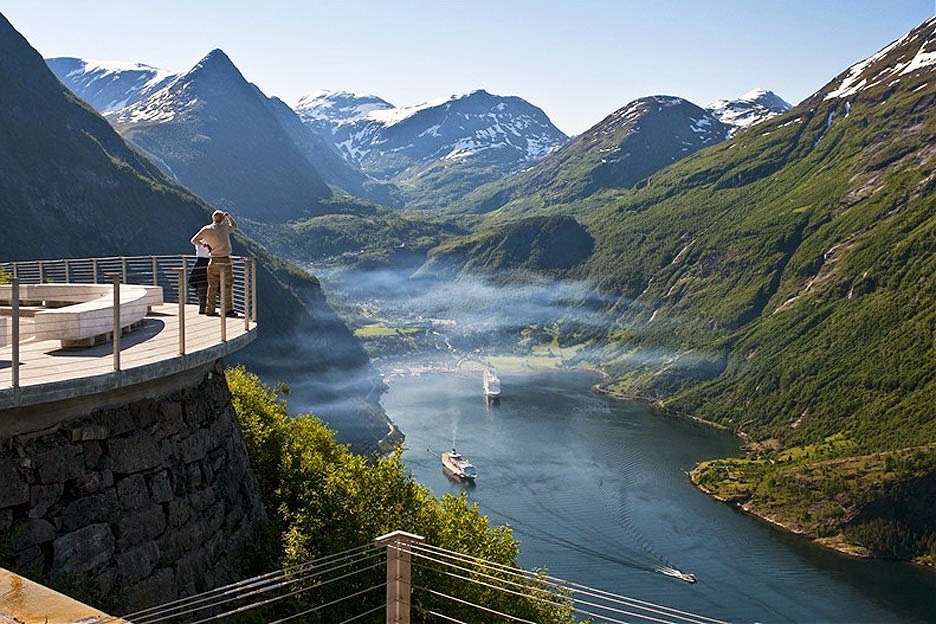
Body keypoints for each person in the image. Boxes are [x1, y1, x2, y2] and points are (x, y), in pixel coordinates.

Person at [190, 210, 238, 317]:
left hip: (213, 261)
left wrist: (204, 246)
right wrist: (229, 217)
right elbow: (234, 226)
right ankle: (227, 310)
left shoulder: (206, 229)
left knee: (212, 286)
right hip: (225, 261)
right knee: (227, 285)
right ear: (222, 219)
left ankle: (210, 310)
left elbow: (193, 240)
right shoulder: (224, 228)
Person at [187, 243, 210, 314]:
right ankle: (206, 308)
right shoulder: (210, 238)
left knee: (201, 286)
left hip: (199, 262)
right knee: (208, 286)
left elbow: (194, 241)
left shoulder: (199, 239)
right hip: (208, 262)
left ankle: (202, 308)